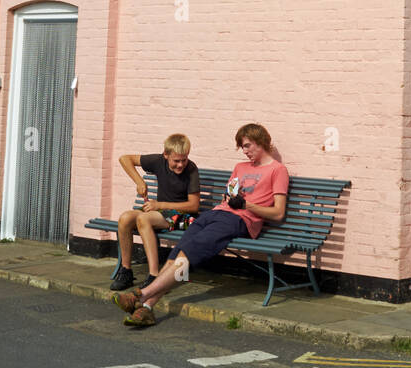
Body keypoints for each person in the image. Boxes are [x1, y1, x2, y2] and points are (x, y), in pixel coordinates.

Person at [113, 122, 288, 327]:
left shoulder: (278, 170)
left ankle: (141, 295)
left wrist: (246, 204)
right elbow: (230, 193)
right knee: (178, 253)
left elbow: (278, 213)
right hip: (216, 213)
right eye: (242, 146)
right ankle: (148, 308)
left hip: (240, 220)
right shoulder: (240, 167)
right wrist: (230, 199)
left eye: (247, 145)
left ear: (261, 142)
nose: (245, 151)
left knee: (191, 252)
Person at [110, 134, 200, 292]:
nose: (181, 165)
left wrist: (160, 204)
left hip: (184, 217)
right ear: (166, 155)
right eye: (176, 161)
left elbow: (193, 206)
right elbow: (125, 159)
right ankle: (126, 271)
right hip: (160, 212)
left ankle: (154, 275)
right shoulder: (158, 161)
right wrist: (139, 181)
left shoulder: (191, 169)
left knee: (144, 219)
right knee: (125, 218)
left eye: (184, 160)